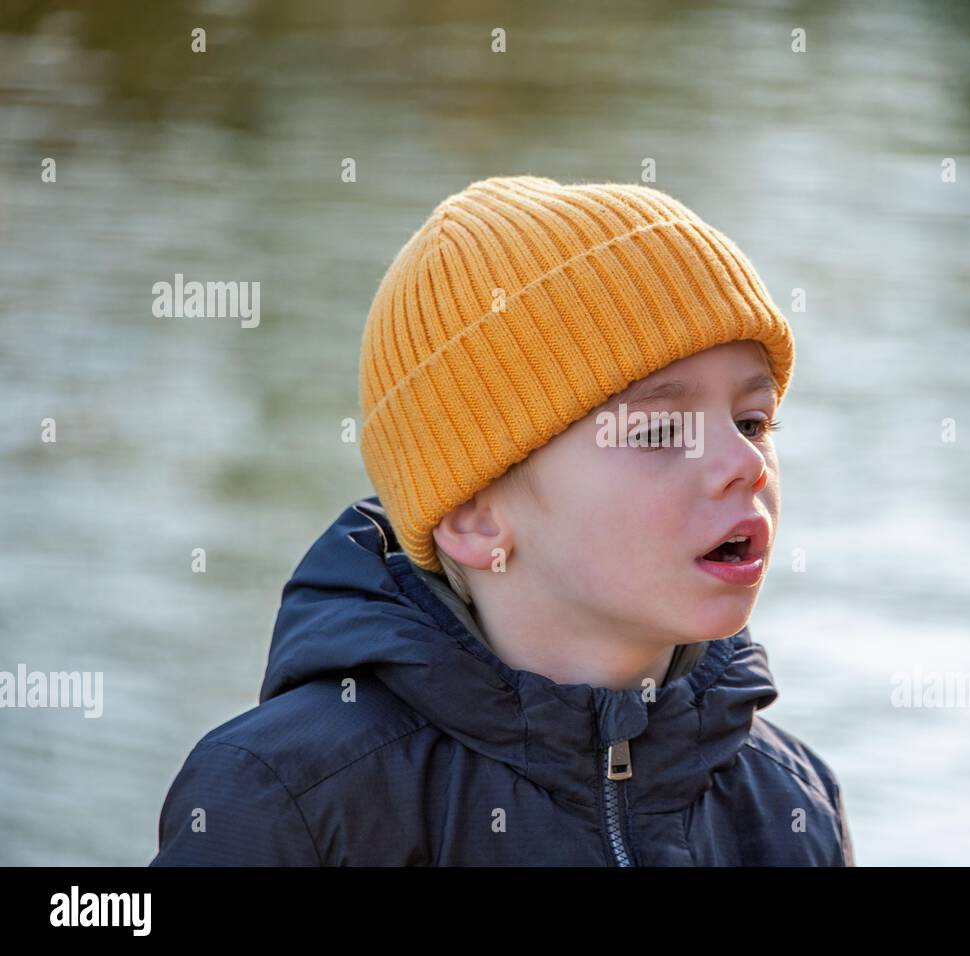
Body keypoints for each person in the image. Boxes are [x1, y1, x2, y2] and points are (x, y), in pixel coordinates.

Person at [149, 175, 854, 866]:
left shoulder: (791, 805)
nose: (743, 463)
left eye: (752, 421)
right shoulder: (290, 800)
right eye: (659, 432)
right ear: (477, 518)